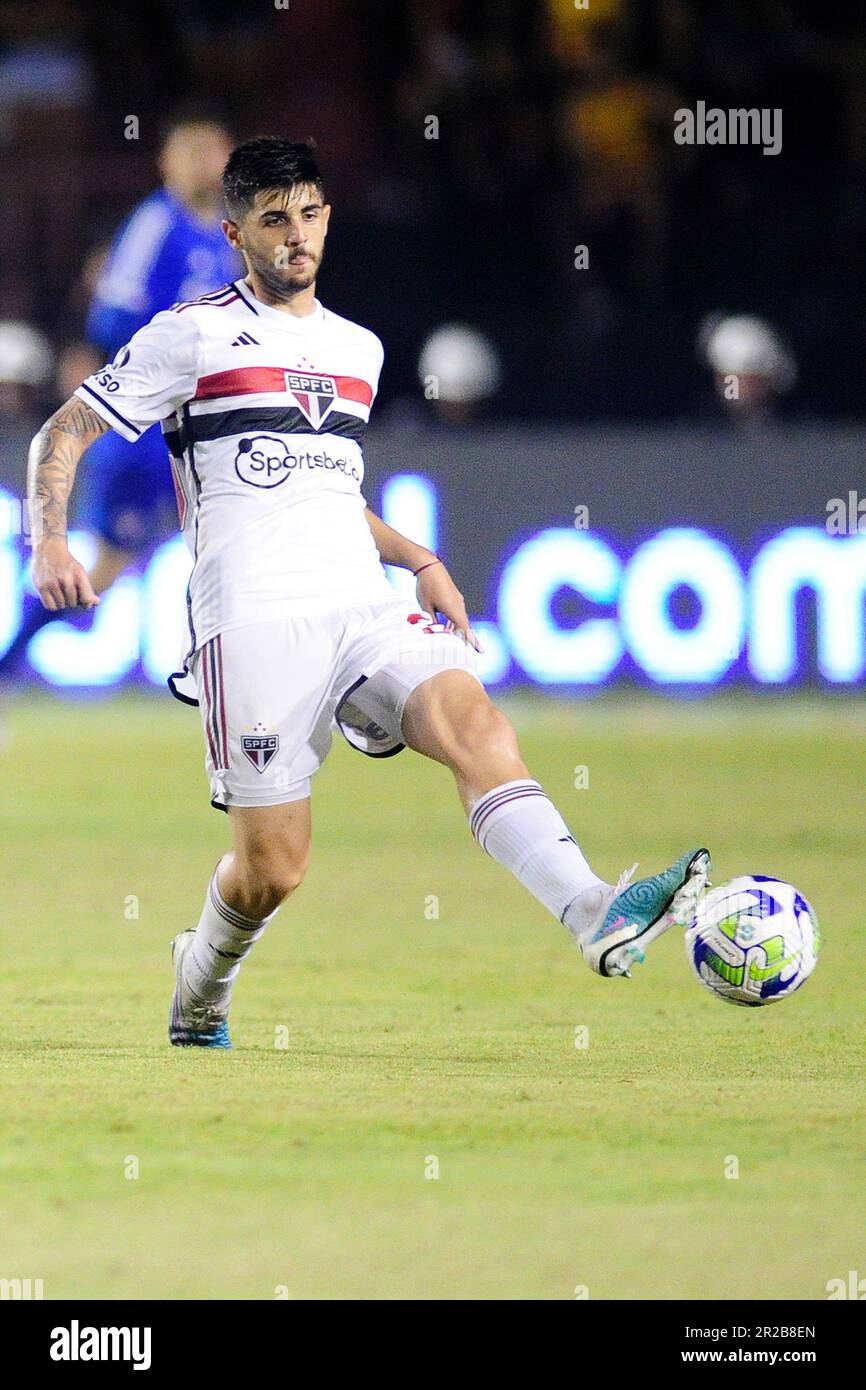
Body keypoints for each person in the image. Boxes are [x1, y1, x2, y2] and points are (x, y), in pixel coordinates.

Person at [26, 137, 710, 1048]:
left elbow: (330, 493)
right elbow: (61, 434)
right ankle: (201, 980)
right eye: (273, 220)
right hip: (251, 617)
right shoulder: (188, 335)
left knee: (474, 722)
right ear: (235, 233)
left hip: (362, 603)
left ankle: (592, 909)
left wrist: (419, 558)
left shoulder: (359, 349)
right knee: (274, 869)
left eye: (308, 213)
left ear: (327, 218)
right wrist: (47, 543)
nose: (296, 235)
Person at [0, 107, 238, 683]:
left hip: (206, 426)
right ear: (168, 162)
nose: (205, 163)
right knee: (104, 570)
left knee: (240, 551)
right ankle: (6, 668)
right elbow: (112, 317)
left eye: (214, 151)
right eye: (193, 152)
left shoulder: (229, 234)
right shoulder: (157, 223)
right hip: (149, 428)